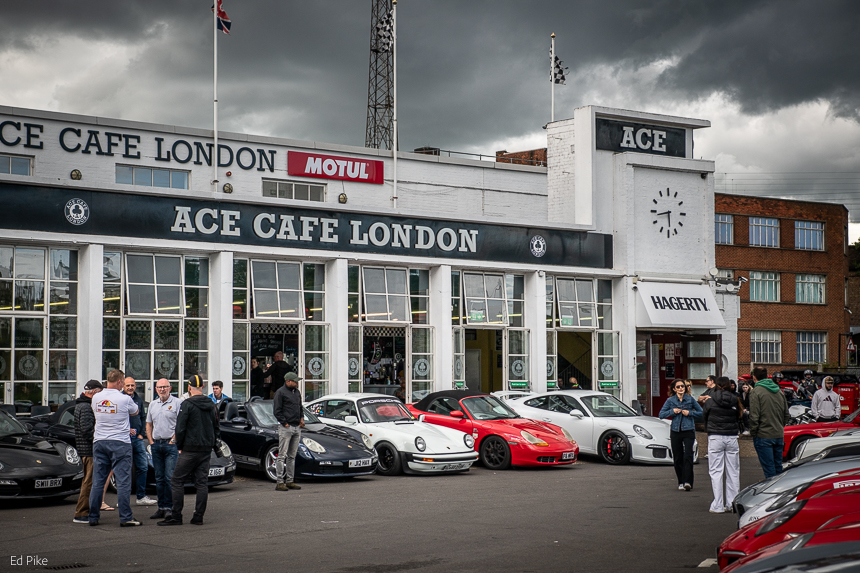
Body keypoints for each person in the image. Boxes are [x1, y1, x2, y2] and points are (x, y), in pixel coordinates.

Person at [158, 375, 220, 526]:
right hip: (205, 449)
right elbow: (216, 427)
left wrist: (179, 446)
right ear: (203, 387)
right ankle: (198, 516)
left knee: (176, 480)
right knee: (202, 483)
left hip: (190, 449)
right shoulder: (211, 404)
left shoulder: (187, 404)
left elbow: (180, 428)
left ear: (189, 387)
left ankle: (176, 516)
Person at [88, 369, 141, 527]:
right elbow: (136, 411)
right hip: (120, 442)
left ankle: (93, 516)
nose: (124, 384)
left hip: (99, 441)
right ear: (119, 382)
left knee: (98, 481)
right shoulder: (124, 399)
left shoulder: (96, 397)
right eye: (123, 381)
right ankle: (125, 517)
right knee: (123, 481)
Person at [703, 377, 741, 514]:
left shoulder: (710, 400)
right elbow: (738, 417)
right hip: (731, 436)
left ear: (716, 386)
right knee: (733, 471)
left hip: (715, 436)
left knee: (716, 471)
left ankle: (717, 505)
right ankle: (732, 503)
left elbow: (705, 416)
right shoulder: (735, 400)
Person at [146, 378, 182, 520]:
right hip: (156, 445)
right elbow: (149, 424)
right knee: (159, 478)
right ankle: (161, 507)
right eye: (160, 387)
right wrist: (151, 441)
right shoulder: (153, 405)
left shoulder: (177, 403)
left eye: (165, 387)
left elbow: (180, 424)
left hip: (170, 445)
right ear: (156, 389)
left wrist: (173, 440)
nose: (162, 389)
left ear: (170, 388)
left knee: (169, 478)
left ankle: (170, 508)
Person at [659, 379, 703, 491]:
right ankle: (681, 481)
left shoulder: (690, 399)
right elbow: (661, 414)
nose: (680, 388)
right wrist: (672, 411)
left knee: (688, 455)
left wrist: (690, 413)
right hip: (675, 431)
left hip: (688, 430)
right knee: (677, 457)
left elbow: (702, 413)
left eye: (682, 386)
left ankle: (688, 482)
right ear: (674, 389)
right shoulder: (670, 401)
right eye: (678, 387)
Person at [749, 366, 789, 479]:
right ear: (767, 376)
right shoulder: (778, 390)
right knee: (778, 468)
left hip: (763, 435)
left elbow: (754, 416)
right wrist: (780, 426)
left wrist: (754, 431)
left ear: (754, 377)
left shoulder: (756, 392)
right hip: (778, 434)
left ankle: (773, 495)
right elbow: (786, 414)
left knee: (769, 471)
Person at [72, 379, 103, 524]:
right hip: (88, 450)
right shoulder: (85, 407)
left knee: (88, 481)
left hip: (85, 449)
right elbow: (86, 430)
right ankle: (81, 512)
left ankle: (85, 510)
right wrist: (98, 439)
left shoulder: (81, 404)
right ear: (95, 392)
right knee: (88, 482)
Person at [123, 377, 156, 507]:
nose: (130, 387)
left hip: (137, 439)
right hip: (124, 440)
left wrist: (142, 434)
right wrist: (126, 430)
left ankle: (141, 496)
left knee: (143, 466)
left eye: (132, 385)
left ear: (135, 385)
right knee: (124, 469)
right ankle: (123, 499)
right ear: (123, 386)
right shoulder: (120, 399)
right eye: (127, 385)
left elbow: (143, 417)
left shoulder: (138, 400)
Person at [273, 372, 304, 492]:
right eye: (295, 381)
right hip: (286, 427)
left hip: (297, 426)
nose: (297, 383)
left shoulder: (297, 392)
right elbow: (277, 410)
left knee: (292, 455)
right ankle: (280, 481)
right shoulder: (280, 392)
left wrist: (301, 418)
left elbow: (300, 407)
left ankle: (290, 480)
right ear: (288, 381)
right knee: (282, 455)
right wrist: (284, 423)